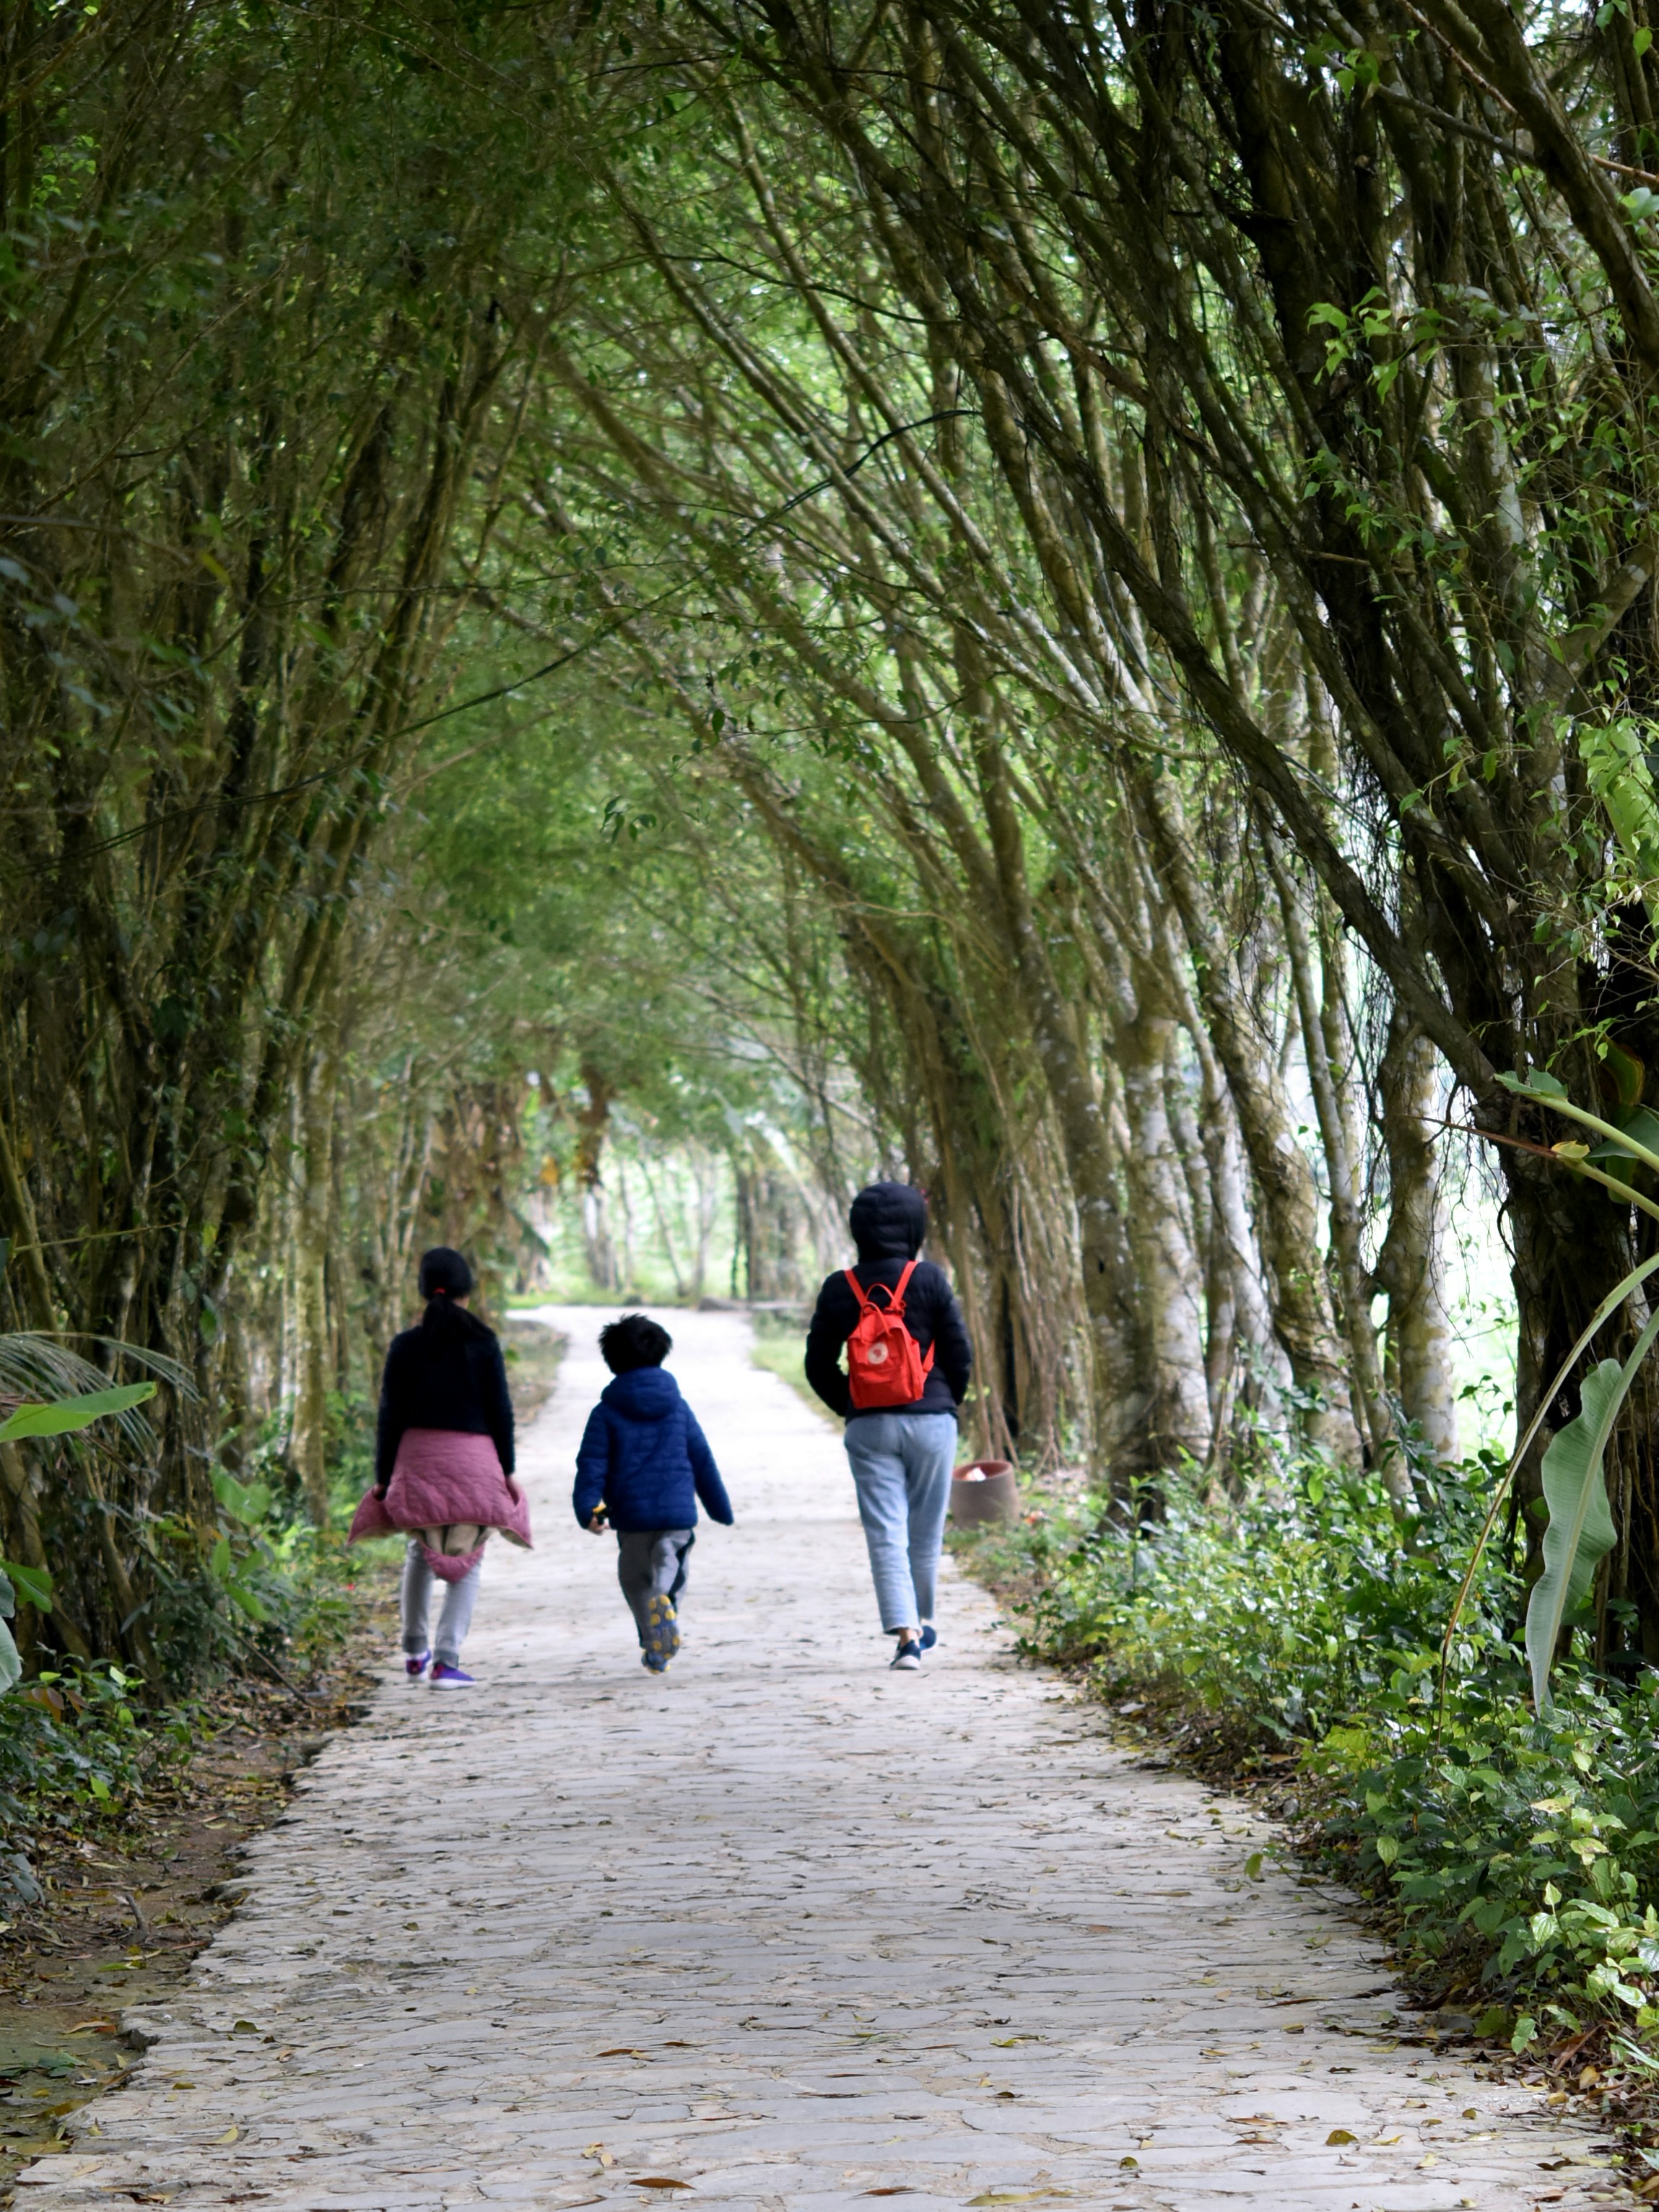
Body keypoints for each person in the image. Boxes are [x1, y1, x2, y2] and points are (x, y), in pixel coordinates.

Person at [805, 1181, 972, 1671]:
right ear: (914, 1227)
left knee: (885, 1531)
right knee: (924, 1531)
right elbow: (959, 1352)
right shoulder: (930, 1279)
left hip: (869, 1429)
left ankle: (907, 1635)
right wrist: (944, 1402)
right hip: (932, 1422)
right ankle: (922, 1620)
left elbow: (817, 1365)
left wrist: (853, 1404)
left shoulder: (841, 1287)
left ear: (859, 1229)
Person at [349, 1246, 531, 1686]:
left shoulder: (405, 1346)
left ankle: (414, 1651)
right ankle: (446, 1661)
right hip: (475, 1460)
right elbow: (500, 1411)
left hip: (417, 1460)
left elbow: (389, 1415)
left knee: (419, 1550)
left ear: (423, 1293)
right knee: (468, 1559)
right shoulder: (484, 1343)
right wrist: (506, 1469)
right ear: (468, 1291)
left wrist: (383, 1476)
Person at [573, 1312, 733, 1673]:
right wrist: (719, 1507)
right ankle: (666, 1595)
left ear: (611, 1360)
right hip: (677, 1512)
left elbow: (591, 1464)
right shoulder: (678, 1407)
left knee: (633, 1579)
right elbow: (702, 1458)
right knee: (671, 1564)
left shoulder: (605, 1413)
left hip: (631, 1516)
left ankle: (654, 1646)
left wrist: (589, 1510)